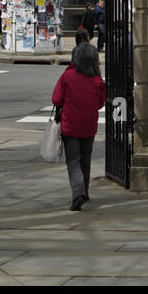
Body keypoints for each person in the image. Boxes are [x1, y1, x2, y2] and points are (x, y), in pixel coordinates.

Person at [52, 29, 106, 211]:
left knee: (73, 160)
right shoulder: (97, 80)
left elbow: (56, 99)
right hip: (89, 125)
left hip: (70, 124)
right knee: (86, 159)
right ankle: (85, 191)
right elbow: (100, 103)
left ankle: (78, 192)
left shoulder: (68, 75)